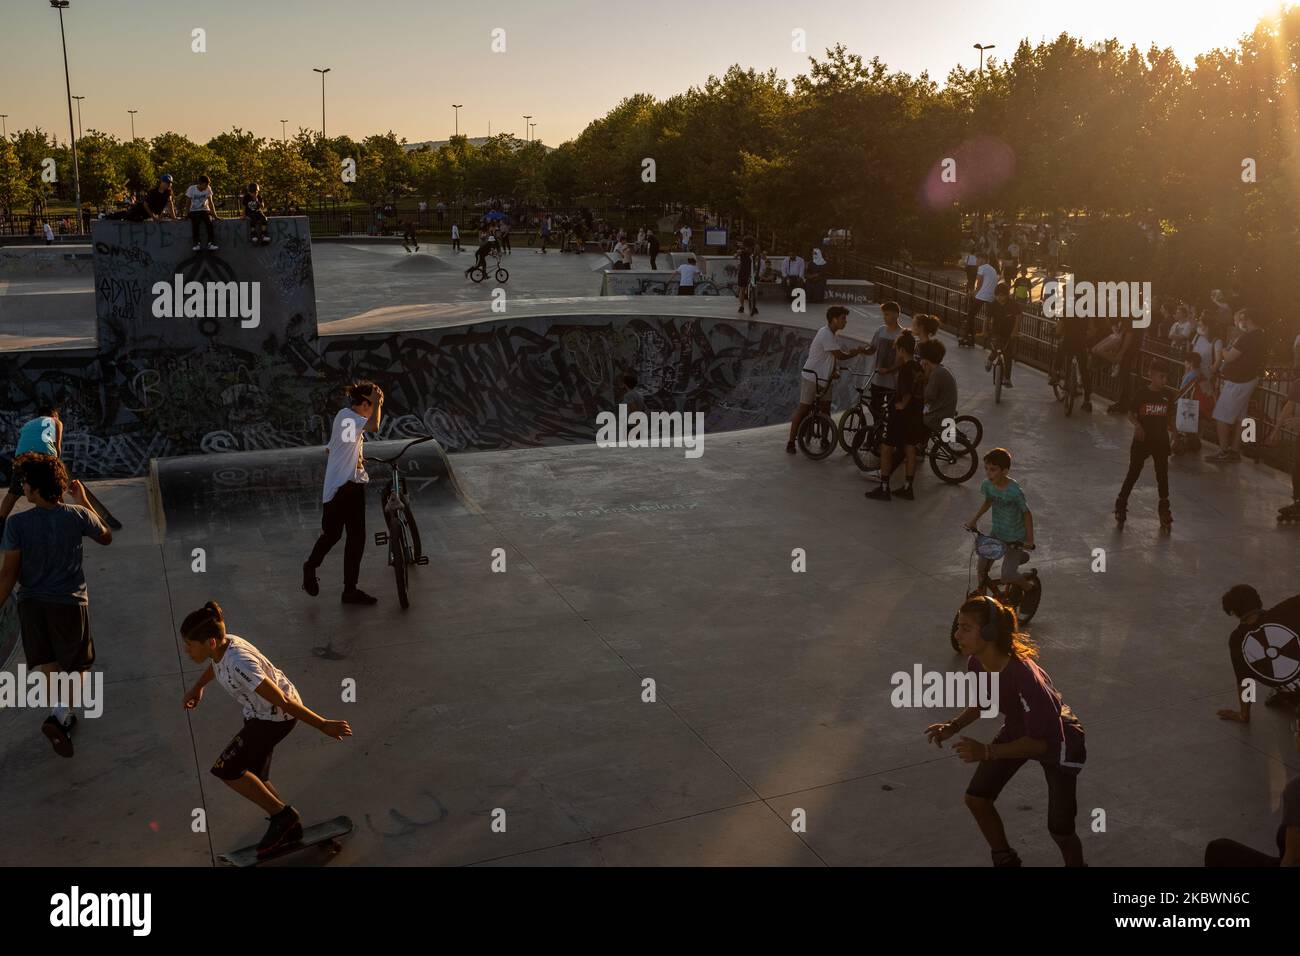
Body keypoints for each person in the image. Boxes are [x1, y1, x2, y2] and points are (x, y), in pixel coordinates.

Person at [180, 600, 352, 857]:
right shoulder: (223, 646)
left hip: (274, 719)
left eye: (190, 646)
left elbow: (282, 701)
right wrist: (198, 687)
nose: (187, 651)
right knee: (256, 775)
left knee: (228, 770)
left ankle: (283, 816)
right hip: (258, 715)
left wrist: (323, 724)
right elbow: (215, 666)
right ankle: (288, 825)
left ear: (210, 642)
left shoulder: (241, 664)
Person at [926, 595, 1086, 867]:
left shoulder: (1023, 676)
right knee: (977, 798)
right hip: (1018, 729)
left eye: (965, 628)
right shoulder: (977, 662)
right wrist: (953, 727)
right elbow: (985, 702)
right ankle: (1004, 860)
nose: (957, 634)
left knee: (1060, 828)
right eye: (958, 626)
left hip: (1059, 741)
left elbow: (1040, 744)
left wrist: (987, 751)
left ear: (989, 633)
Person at [0, 454, 112, 758]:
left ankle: (62, 717)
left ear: (36, 490)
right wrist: (84, 500)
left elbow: (8, 574)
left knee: (48, 661)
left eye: (25, 483)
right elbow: (106, 537)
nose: (22, 487)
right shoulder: (76, 515)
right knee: (78, 663)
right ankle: (60, 715)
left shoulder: (17, 523)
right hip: (69, 602)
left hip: (31, 604)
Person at [302, 381, 384, 605]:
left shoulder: (344, 417)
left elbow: (331, 449)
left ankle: (311, 567)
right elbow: (375, 426)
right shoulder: (351, 418)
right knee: (355, 539)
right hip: (347, 488)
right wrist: (378, 402)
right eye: (375, 404)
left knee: (333, 535)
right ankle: (348, 590)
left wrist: (354, 458)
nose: (377, 407)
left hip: (336, 488)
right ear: (366, 403)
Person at [786, 306, 868, 454]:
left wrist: (835, 370)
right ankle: (791, 442)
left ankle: (824, 439)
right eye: (843, 318)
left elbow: (832, 357)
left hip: (825, 379)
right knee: (804, 408)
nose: (845, 322)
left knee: (825, 410)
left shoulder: (833, 335)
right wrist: (857, 351)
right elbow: (840, 355)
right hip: (812, 377)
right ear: (834, 319)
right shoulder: (825, 334)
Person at [0, 404, 94, 533]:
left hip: (22, 458)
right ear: (54, 415)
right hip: (44, 457)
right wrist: (58, 464)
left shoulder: (28, 424)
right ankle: (62, 522)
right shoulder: (56, 421)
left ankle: (0, 524)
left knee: (13, 494)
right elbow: (57, 446)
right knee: (55, 489)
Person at [1217, 585, 1300, 719]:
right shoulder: (1285, 610)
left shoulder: (1237, 640)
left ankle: (1286, 695)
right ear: (1258, 600)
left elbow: (1245, 680)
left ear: (1234, 612)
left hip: (1293, 691)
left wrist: (1243, 713)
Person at [964, 448, 1037, 593]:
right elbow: (988, 502)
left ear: (1005, 471)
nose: (988, 473)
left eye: (993, 470)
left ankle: (1030, 589)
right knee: (981, 569)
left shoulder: (1014, 491)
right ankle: (982, 594)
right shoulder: (987, 485)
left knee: (1007, 575)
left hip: (1015, 538)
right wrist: (974, 520)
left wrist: (1029, 540)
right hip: (997, 532)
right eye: (986, 469)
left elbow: (1027, 514)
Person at [865, 331, 926, 501]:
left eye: (897, 350)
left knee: (886, 447)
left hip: (902, 414)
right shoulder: (918, 366)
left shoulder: (906, 369)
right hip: (916, 413)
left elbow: (906, 392)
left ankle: (884, 487)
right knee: (910, 447)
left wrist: (902, 405)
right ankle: (908, 487)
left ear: (901, 349)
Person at [1113, 364, 1174, 529]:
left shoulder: (1168, 395)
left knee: (1162, 474)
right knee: (1134, 472)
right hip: (1143, 440)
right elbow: (1130, 413)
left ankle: (1164, 507)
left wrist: (1174, 433)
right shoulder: (1142, 393)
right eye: (1161, 377)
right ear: (1152, 376)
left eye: (1165, 377)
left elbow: (1170, 418)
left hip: (1160, 441)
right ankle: (1121, 503)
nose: (1164, 380)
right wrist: (1137, 425)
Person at [1207, 309, 1266, 462]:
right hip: (1249, 379)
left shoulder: (1247, 338)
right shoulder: (1262, 336)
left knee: (1221, 415)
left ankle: (1223, 450)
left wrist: (1223, 351)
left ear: (1249, 320)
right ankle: (1234, 450)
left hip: (1238, 381)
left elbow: (1230, 357)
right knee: (1240, 417)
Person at [860, 301, 905, 436]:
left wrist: (890, 370)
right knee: (876, 410)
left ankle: (891, 438)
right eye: (884, 315)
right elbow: (872, 349)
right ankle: (877, 435)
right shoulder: (880, 331)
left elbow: (903, 361)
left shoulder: (902, 335)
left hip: (893, 383)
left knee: (893, 413)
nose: (884, 317)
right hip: (877, 380)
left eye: (887, 314)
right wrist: (863, 350)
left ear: (896, 315)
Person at [1266, 374, 1300, 519]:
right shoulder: (1298, 384)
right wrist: (1276, 430)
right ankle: (1298, 503)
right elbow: (1289, 406)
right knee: (1297, 468)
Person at [920, 338, 958, 440]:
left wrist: (924, 379)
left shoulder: (937, 374)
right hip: (945, 409)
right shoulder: (941, 369)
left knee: (915, 419)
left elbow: (928, 397)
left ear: (926, 361)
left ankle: (920, 445)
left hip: (939, 415)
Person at [985, 282, 1020, 388]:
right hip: (996, 332)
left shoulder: (1012, 304)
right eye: (998, 295)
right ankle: (990, 359)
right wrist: (985, 330)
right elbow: (987, 318)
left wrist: (1015, 331)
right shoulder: (993, 304)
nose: (1000, 298)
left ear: (1007, 295)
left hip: (1009, 333)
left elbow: (1018, 317)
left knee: (1008, 356)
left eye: (1002, 295)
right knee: (996, 349)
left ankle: (1007, 378)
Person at [962, 253, 998, 347]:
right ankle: (988, 334)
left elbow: (979, 283)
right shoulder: (992, 269)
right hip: (991, 297)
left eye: (978, 260)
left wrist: (972, 293)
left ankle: (969, 337)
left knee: (970, 315)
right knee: (988, 316)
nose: (976, 262)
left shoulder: (982, 268)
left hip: (982, 295)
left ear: (983, 259)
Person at [185, 174, 220, 251]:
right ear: (200, 183)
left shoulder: (208, 189)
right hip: (194, 211)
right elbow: (187, 203)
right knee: (196, 222)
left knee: (209, 222)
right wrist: (186, 215)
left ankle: (211, 243)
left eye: (208, 185)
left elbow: (211, 203)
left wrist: (215, 216)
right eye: (205, 185)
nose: (206, 187)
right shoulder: (191, 189)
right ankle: (197, 243)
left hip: (205, 210)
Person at [736, 236, 759, 314]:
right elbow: (735, 255)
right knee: (744, 289)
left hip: (747, 271)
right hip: (749, 271)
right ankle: (745, 306)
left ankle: (743, 306)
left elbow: (735, 256)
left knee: (744, 289)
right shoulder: (746, 251)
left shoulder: (752, 251)